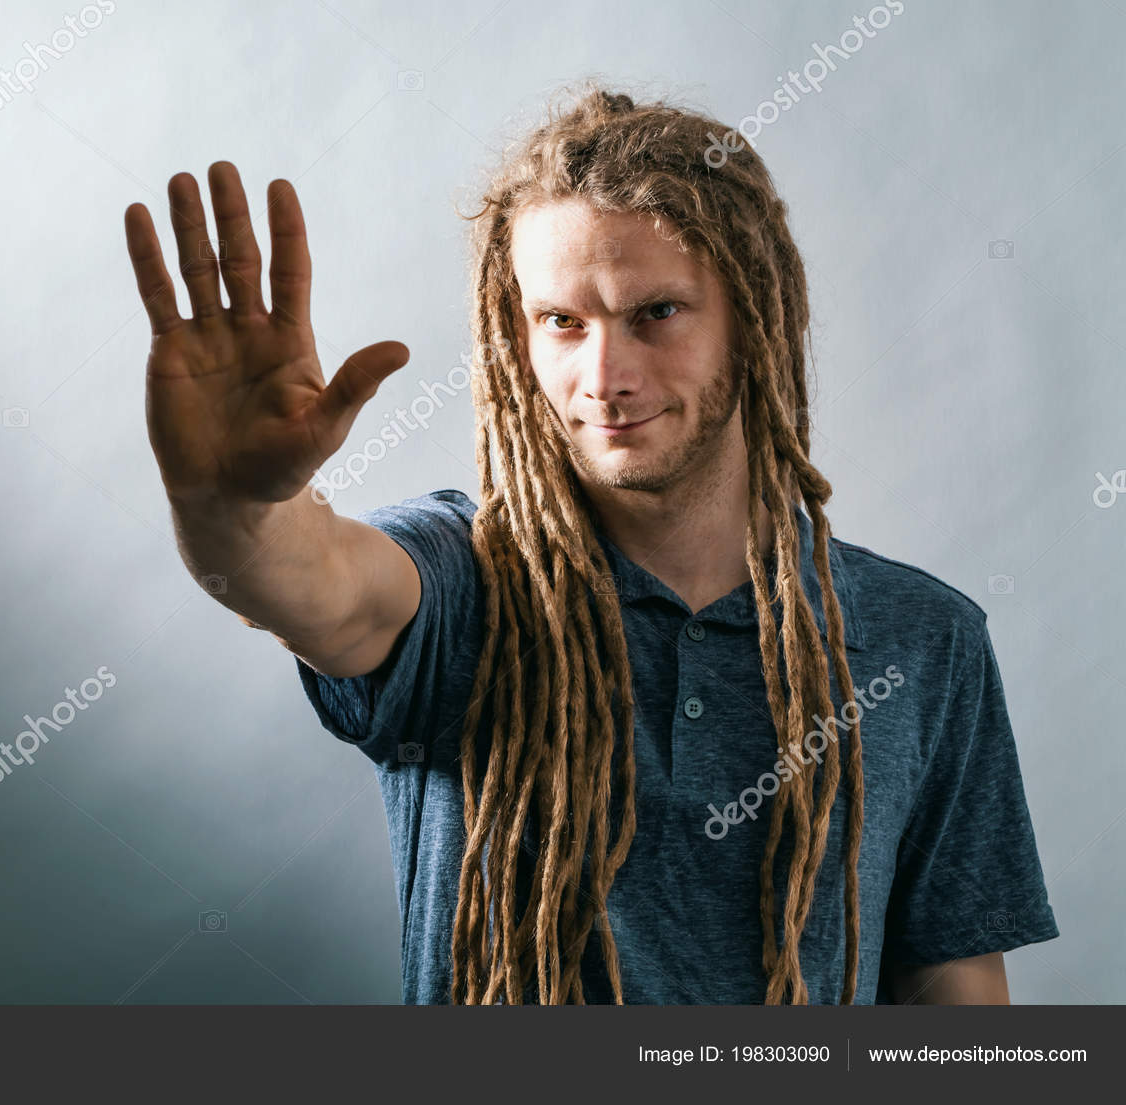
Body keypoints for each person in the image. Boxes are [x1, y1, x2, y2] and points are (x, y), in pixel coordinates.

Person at [121, 82, 1058, 1005]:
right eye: (562, 322)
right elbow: (313, 581)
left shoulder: (922, 640)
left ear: (753, 320)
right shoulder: (462, 582)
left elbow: (953, 989)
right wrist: (230, 509)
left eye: (655, 313)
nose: (604, 376)